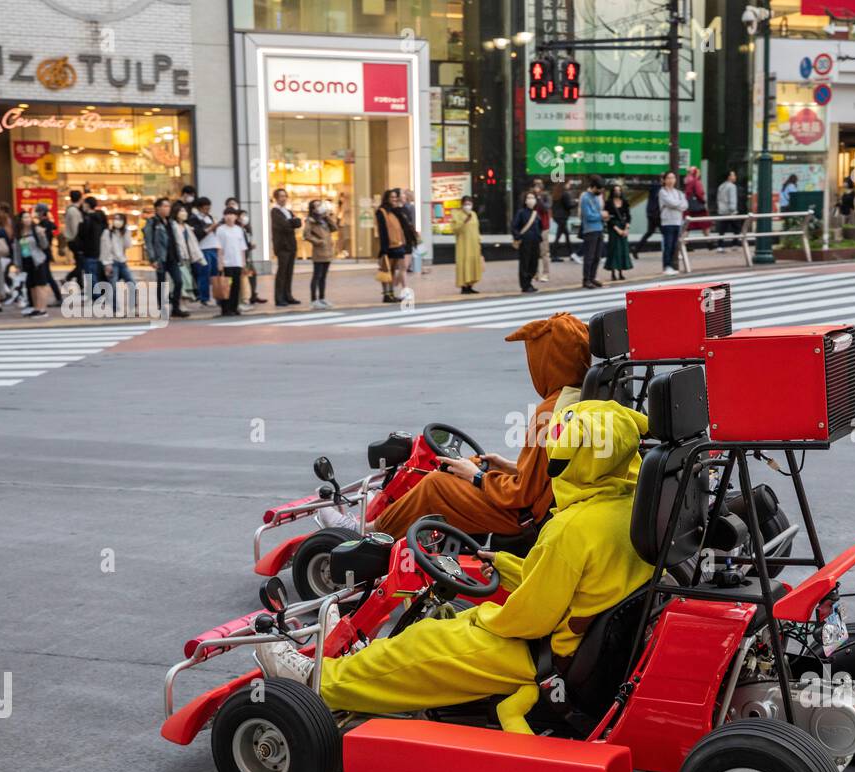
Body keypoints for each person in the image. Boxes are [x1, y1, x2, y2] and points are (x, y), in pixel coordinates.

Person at [256, 398, 654, 735]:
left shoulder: (573, 528)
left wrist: (483, 619)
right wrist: (501, 565)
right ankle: (361, 676)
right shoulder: (628, 509)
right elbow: (574, 582)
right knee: (449, 621)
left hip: (545, 656)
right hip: (582, 651)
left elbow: (528, 619)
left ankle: (319, 681)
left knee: (424, 642)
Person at [324, 312, 590, 540]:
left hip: (524, 518)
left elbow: (522, 495)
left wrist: (477, 477)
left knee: (436, 483)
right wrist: (509, 467)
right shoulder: (584, 396)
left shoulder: (550, 411)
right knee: (462, 467)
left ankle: (366, 532)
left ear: (548, 362)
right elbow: (550, 472)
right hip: (552, 505)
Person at [143, 197, 188, 319]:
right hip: (160, 257)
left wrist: (181, 255)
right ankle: (162, 308)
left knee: (178, 281)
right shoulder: (152, 223)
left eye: (168, 206)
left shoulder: (171, 222)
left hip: (172, 256)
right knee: (162, 283)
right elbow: (149, 242)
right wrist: (152, 259)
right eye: (165, 206)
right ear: (158, 208)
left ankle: (176, 307)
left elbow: (176, 239)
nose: (168, 209)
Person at [376, 187, 416, 304]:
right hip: (388, 246)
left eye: (395, 197)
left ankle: (391, 293)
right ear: (386, 199)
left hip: (397, 244)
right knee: (385, 271)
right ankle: (386, 294)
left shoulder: (394, 211)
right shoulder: (382, 211)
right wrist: (384, 249)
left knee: (392, 270)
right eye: (391, 197)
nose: (394, 199)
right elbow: (382, 231)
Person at [14, 210, 50, 319]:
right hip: (26, 261)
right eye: (24, 217)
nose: (27, 219)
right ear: (20, 220)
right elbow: (16, 250)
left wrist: (42, 235)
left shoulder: (37, 230)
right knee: (32, 286)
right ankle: (36, 308)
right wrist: (17, 265)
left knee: (40, 285)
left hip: (38, 261)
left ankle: (42, 309)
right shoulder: (19, 233)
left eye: (28, 217)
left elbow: (44, 246)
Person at [214, 206, 250, 317]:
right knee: (226, 287)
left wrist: (243, 263)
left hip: (237, 262)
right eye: (227, 214)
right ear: (224, 216)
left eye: (232, 214)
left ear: (236, 217)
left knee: (236, 287)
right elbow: (219, 247)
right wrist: (220, 263)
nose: (229, 217)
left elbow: (242, 248)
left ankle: (234, 308)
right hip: (226, 263)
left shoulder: (239, 230)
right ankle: (225, 309)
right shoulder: (221, 230)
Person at [302, 199, 337, 308]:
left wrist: (327, 216)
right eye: (316, 206)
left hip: (328, 251)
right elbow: (306, 234)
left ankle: (322, 298)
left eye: (319, 205)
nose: (319, 207)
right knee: (317, 276)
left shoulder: (324, 219)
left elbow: (334, 228)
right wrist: (318, 241)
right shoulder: (310, 220)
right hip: (318, 251)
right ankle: (314, 300)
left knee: (324, 277)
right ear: (312, 209)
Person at [270, 188, 301, 307]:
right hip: (282, 246)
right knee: (282, 273)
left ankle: (288, 295)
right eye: (281, 196)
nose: (283, 198)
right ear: (276, 198)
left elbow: (298, 223)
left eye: (285, 196)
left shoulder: (288, 211)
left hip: (291, 245)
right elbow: (284, 225)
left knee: (289, 272)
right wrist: (291, 222)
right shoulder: (275, 211)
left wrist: (291, 222)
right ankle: (279, 298)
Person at [99, 212, 135, 316]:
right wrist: (107, 264)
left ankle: (132, 307)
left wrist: (126, 232)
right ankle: (116, 309)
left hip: (122, 262)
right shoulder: (107, 232)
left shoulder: (124, 232)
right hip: (112, 262)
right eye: (115, 219)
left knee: (132, 283)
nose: (117, 221)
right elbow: (105, 249)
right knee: (113, 286)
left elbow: (128, 245)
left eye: (120, 219)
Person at [76, 196, 108, 305]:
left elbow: (82, 236)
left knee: (91, 275)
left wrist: (80, 249)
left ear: (87, 205)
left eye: (84, 203)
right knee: (98, 274)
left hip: (89, 251)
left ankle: (99, 297)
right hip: (101, 250)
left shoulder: (87, 219)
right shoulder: (101, 218)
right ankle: (101, 295)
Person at [170, 202, 204, 303]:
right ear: (175, 213)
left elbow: (193, 243)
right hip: (178, 257)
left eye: (184, 211)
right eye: (181, 211)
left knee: (186, 280)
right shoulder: (173, 226)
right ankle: (179, 301)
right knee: (183, 280)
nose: (184, 213)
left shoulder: (187, 227)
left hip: (187, 257)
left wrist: (199, 257)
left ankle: (180, 302)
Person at [578, 176, 607, 289]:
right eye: (599, 189)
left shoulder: (596, 197)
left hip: (599, 229)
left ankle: (593, 277)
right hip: (590, 230)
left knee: (597, 256)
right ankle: (586, 280)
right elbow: (588, 216)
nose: (600, 192)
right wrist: (601, 215)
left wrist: (603, 216)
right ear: (593, 187)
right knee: (589, 256)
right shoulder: (585, 198)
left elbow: (598, 211)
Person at [512, 190, 543, 293]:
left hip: (535, 242)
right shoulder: (521, 212)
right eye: (529, 198)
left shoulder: (536, 213)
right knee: (525, 263)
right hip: (525, 242)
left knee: (534, 263)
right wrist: (518, 237)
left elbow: (540, 226)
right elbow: (514, 226)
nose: (531, 200)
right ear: (525, 200)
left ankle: (529, 282)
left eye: (533, 198)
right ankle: (525, 285)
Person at [658, 170, 687, 276]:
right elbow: (670, 203)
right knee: (668, 245)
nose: (671, 180)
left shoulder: (678, 192)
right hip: (667, 222)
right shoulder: (662, 191)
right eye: (668, 178)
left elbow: (685, 205)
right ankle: (666, 266)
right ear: (664, 180)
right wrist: (679, 204)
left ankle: (671, 266)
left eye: (673, 178)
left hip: (677, 221)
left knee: (674, 245)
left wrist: (677, 205)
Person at [451, 194, 482, 294]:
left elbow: (477, 229)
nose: (467, 206)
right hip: (463, 245)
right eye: (465, 204)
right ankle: (464, 286)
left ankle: (470, 286)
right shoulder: (457, 214)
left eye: (469, 204)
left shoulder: (474, 214)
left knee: (473, 264)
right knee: (464, 264)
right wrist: (464, 221)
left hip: (474, 245)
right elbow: (455, 229)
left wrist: (479, 242)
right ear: (462, 205)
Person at [193, 198, 219, 306]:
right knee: (204, 274)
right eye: (205, 207)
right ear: (200, 208)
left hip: (214, 247)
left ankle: (218, 297)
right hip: (203, 248)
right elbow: (198, 234)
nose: (207, 209)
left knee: (216, 274)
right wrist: (211, 227)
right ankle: (204, 298)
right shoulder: (194, 219)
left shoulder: (211, 217)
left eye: (209, 207)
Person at [604, 190, 632, 282]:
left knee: (622, 250)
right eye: (615, 190)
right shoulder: (608, 203)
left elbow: (628, 216)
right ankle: (613, 273)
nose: (617, 192)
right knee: (613, 250)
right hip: (613, 229)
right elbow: (608, 219)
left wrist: (626, 229)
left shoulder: (625, 203)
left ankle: (620, 273)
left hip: (623, 227)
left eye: (619, 190)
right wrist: (617, 229)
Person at [61, 189, 84, 291]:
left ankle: (80, 284)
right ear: (80, 198)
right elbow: (76, 228)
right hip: (75, 240)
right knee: (81, 264)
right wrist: (80, 240)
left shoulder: (70, 209)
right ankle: (68, 278)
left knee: (79, 263)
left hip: (72, 240)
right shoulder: (74, 211)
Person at [553, 182, 579, 262]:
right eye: (568, 184)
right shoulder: (565, 194)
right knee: (558, 236)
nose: (569, 185)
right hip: (562, 217)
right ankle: (554, 255)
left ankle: (571, 253)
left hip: (557, 217)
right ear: (564, 185)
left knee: (566, 236)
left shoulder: (557, 193)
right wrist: (577, 202)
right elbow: (568, 206)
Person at [635, 181, 662, 258]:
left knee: (649, 232)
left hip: (652, 213)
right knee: (665, 233)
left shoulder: (655, 187)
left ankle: (636, 249)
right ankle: (674, 251)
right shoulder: (658, 187)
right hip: (655, 214)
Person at [532, 179, 552, 281]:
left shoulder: (546, 196)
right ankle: (535, 273)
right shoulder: (531, 196)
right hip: (533, 227)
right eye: (535, 185)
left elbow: (546, 208)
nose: (537, 187)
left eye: (539, 185)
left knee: (544, 252)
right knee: (534, 252)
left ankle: (546, 273)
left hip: (543, 227)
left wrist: (539, 198)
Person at [716, 170, 739, 249]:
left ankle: (720, 245)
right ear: (729, 177)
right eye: (733, 175)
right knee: (736, 228)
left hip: (722, 211)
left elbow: (718, 199)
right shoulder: (732, 186)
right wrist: (733, 209)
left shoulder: (721, 186)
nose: (735, 177)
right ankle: (735, 244)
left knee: (722, 230)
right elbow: (732, 199)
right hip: (731, 212)